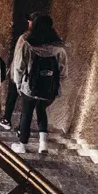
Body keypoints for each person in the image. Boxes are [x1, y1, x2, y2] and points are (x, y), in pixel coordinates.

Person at [10, 14, 67, 154]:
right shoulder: (59, 48)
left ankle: (22, 145)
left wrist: (18, 83)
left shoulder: (27, 44)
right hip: (49, 90)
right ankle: (43, 145)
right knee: (42, 111)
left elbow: (19, 66)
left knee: (26, 113)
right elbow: (63, 72)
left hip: (29, 87)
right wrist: (54, 84)